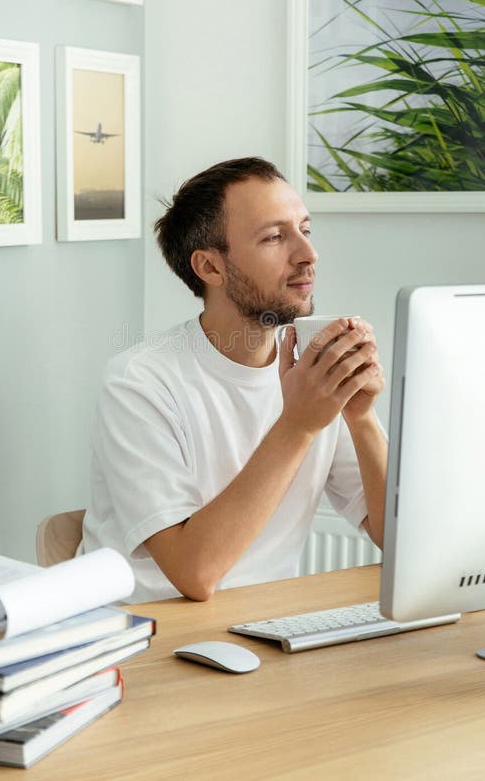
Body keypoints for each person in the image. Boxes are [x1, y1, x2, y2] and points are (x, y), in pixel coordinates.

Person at [80, 157, 387, 603]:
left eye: (305, 229)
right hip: (150, 637)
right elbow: (194, 573)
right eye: (275, 237)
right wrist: (299, 425)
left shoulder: (313, 374)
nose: (307, 254)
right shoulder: (139, 384)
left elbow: (395, 538)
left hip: (263, 627)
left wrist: (361, 417)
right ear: (210, 268)